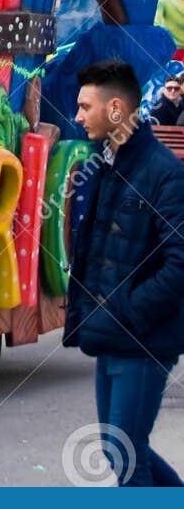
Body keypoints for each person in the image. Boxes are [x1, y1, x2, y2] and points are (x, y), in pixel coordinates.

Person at [65, 57, 184, 486]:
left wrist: (129, 310)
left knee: (125, 454)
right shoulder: (105, 166)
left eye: (85, 106)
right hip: (110, 332)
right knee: (122, 450)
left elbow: (180, 262)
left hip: (142, 338)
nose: (77, 116)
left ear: (116, 109)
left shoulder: (165, 174)